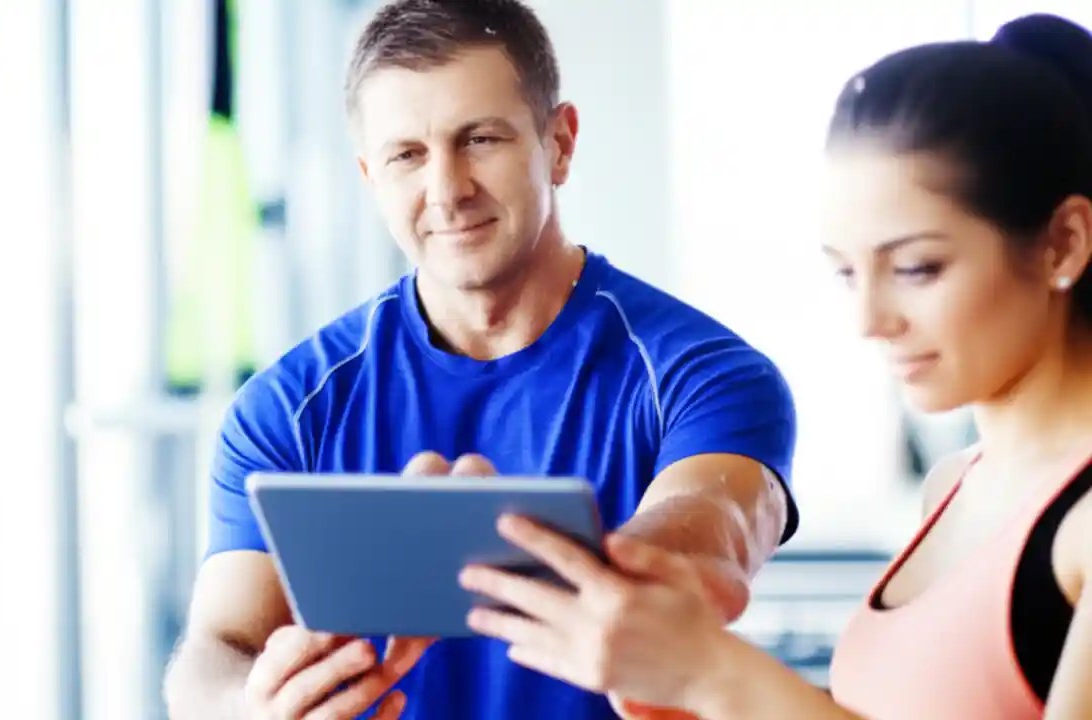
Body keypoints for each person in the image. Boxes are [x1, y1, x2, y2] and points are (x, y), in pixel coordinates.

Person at [161, 0, 798, 718]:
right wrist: (252, 702)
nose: (447, 189)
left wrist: (491, 545)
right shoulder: (287, 407)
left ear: (559, 143)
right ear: (371, 175)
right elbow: (214, 652)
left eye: (481, 139)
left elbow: (709, 536)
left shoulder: (706, 375)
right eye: (408, 155)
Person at [462, 12, 1092, 720]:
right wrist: (688, 692)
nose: (869, 322)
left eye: (916, 268)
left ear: (1064, 243)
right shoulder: (954, 487)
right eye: (849, 274)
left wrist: (715, 675)